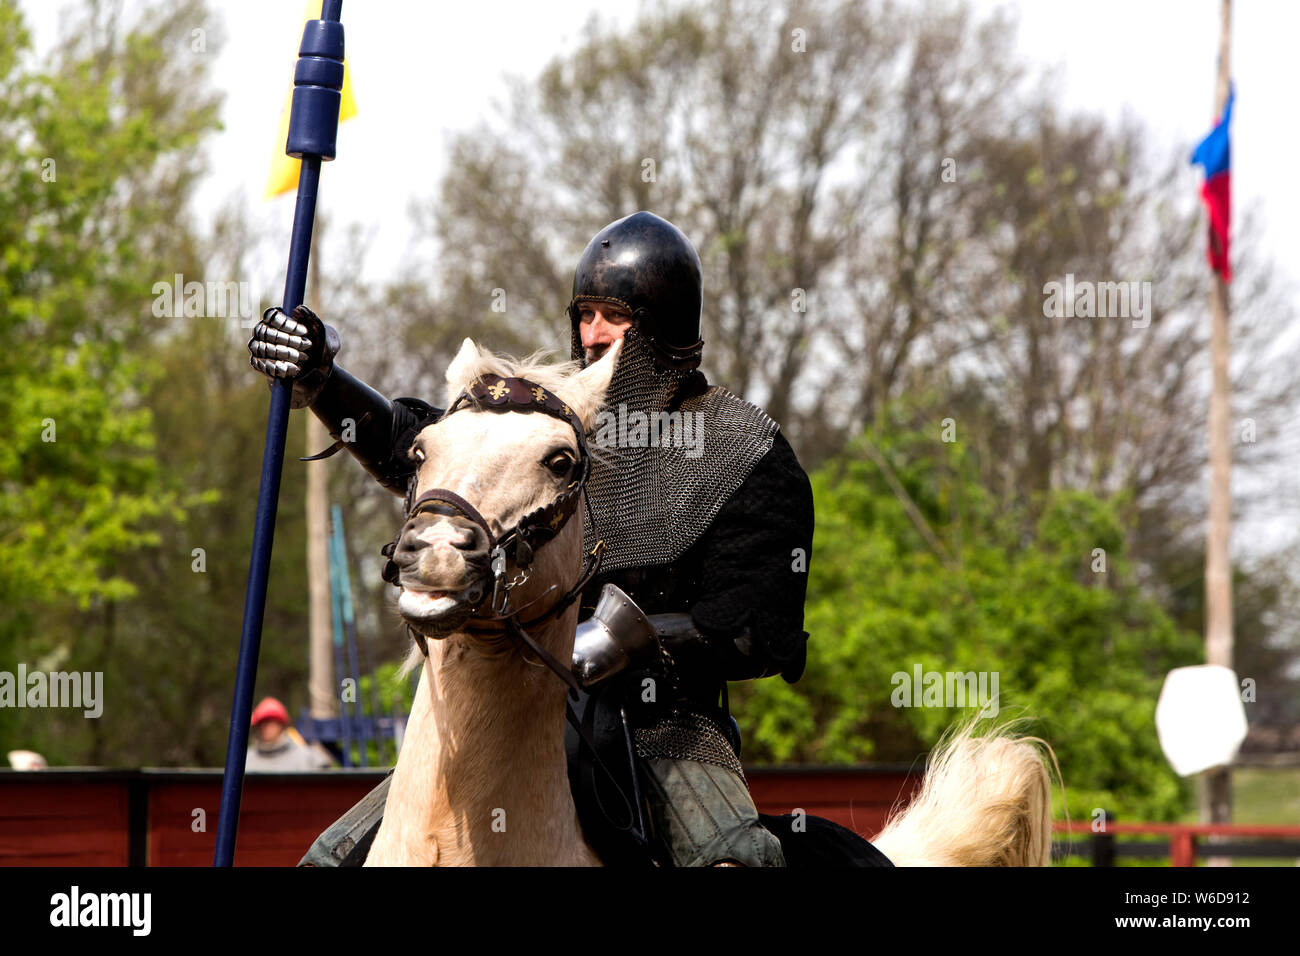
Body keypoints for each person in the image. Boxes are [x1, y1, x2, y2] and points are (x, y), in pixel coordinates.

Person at [250, 211, 813, 867]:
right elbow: (418, 445)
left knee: (737, 861)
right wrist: (322, 380)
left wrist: (628, 638)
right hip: (507, 715)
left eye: (616, 316)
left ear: (664, 324)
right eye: (586, 313)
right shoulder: (546, 428)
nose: (594, 333)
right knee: (328, 862)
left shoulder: (741, 449)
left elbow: (757, 629)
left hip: (661, 725)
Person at [245, 696, 333, 772]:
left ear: (282, 725)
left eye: (270, 723)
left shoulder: (306, 758)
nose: (266, 728)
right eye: (262, 723)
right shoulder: (246, 761)